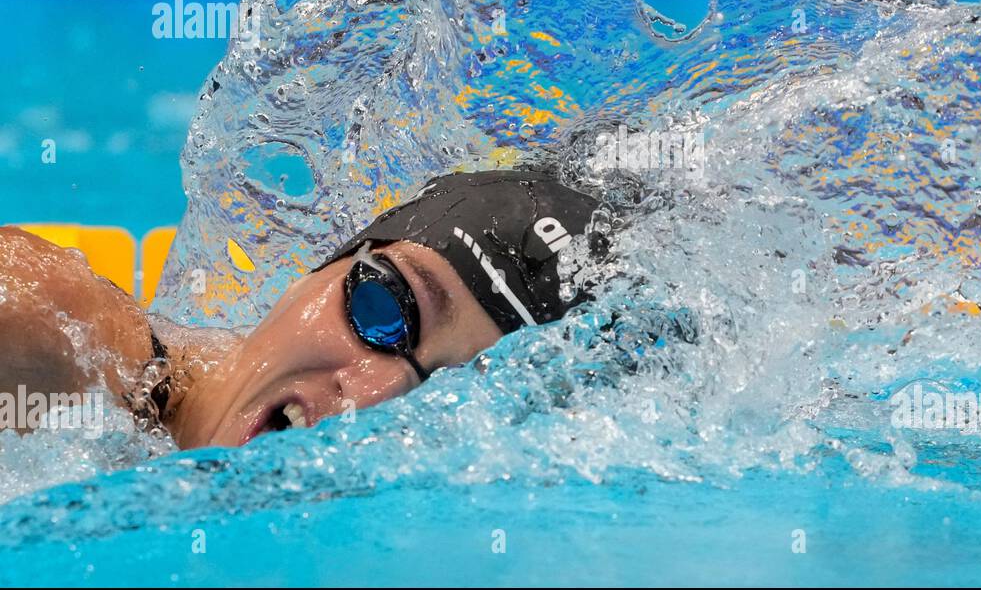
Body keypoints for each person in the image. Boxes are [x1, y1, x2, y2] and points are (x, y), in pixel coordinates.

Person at [0, 170, 605, 449]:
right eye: (384, 310)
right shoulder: (62, 343)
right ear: (317, 272)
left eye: (454, 391)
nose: (371, 397)